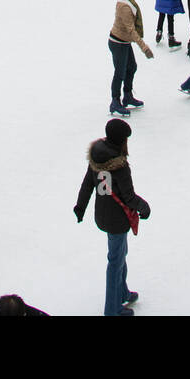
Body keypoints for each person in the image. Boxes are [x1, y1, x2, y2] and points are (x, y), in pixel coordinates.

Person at [73, 117, 150, 318]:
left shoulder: (97, 157)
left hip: (103, 215)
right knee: (115, 261)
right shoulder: (120, 166)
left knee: (119, 255)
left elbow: (87, 185)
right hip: (117, 220)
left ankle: (122, 293)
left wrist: (80, 207)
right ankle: (112, 309)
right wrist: (144, 207)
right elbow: (129, 197)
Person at [108, 0, 154, 117]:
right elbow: (131, 30)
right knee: (120, 72)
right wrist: (144, 47)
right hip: (118, 43)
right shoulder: (125, 7)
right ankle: (115, 101)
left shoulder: (127, 2)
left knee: (131, 67)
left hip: (124, 42)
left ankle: (127, 95)